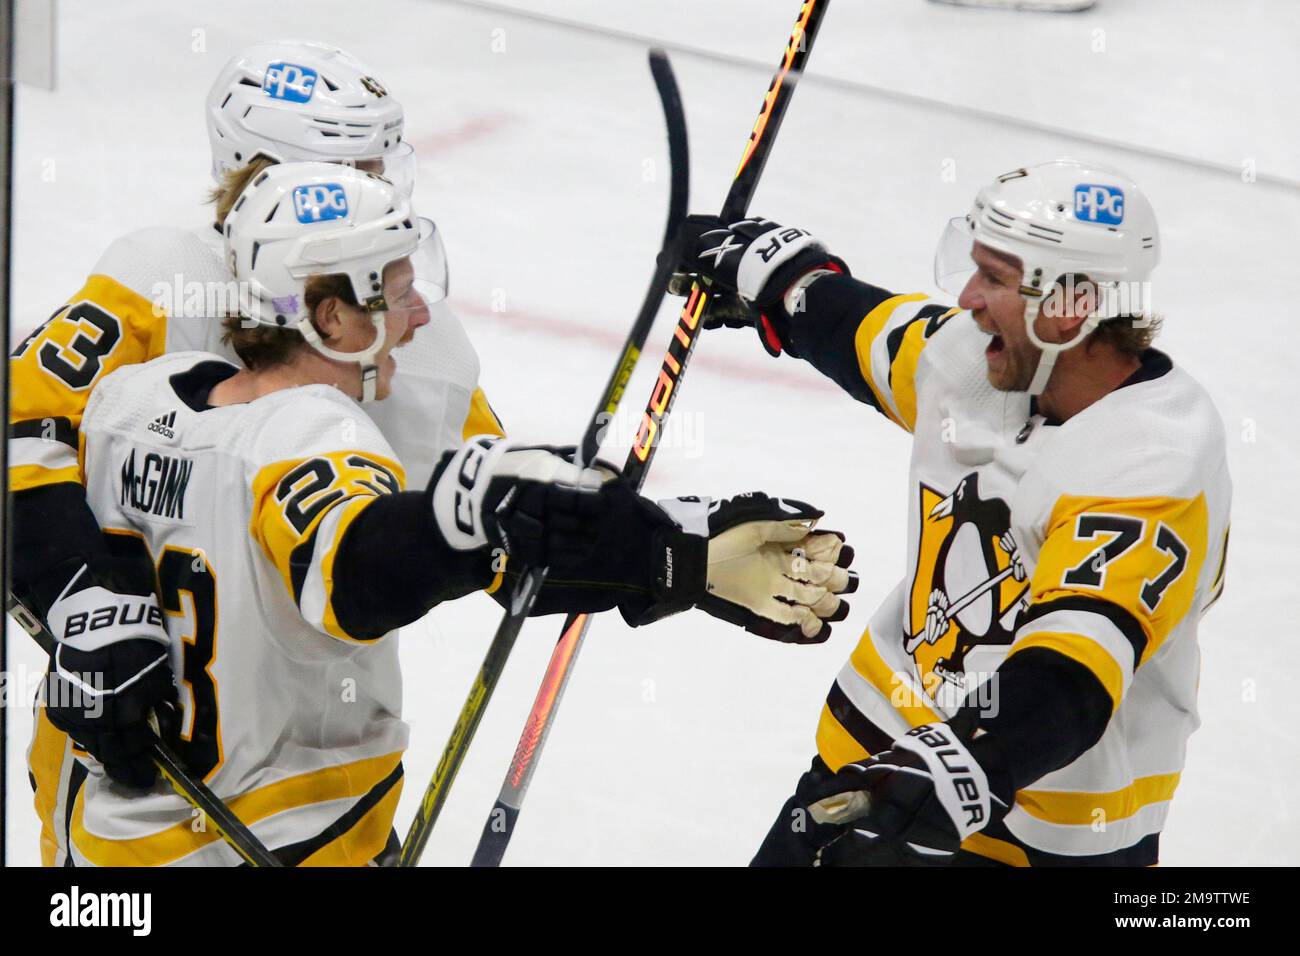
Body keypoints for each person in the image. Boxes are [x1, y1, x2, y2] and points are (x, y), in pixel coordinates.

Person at [38, 162, 856, 866]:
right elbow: (357, 568)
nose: (420, 314)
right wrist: (459, 520)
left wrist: (668, 555)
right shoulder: (315, 436)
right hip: (282, 841)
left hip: (105, 846)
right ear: (330, 317)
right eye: (396, 292)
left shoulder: (130, 400)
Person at [9, 39, 506, 866]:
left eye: (381, 165)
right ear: (261, 167)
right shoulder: (159, 277)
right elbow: (24, 433)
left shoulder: (416, 333)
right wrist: (81, 599)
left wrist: (661, 546)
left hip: (304, 785)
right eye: (353, 166)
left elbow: (491, 505)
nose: (377, 189)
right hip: (129, 780)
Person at [672, 159, 1231, 866]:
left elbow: (1072, 672)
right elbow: (865, 332)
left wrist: (962, 765)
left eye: (994, 279)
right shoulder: (980, 360)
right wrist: (781, 277)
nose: (968, 297)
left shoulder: (1151, 460)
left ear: (1070, 306)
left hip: (1038, 833)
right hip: (872, 763)